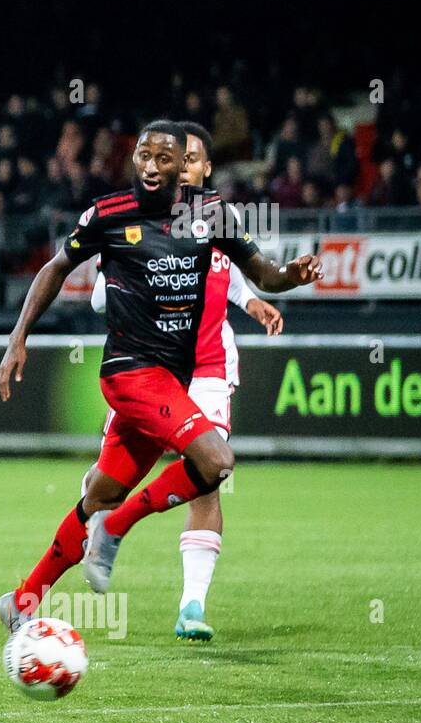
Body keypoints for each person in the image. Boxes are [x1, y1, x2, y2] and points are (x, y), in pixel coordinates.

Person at [0, 121, 322, 631]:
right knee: (216, 461)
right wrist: (18, 337)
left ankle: (25, 598)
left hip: (171, 378)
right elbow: (55, 268)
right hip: (129, 373)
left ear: (181, 166)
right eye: (143, 155)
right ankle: (118, 529)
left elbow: (262, 274)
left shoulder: (210, 214)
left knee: (99, 494)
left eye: (163, 158)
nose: (150, 166)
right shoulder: (107, 214)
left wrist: (291, 278)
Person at [81, 122, 283, 640]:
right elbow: (103, 290)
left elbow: (235, 272)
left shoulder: (215, 219)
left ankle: (192, 604)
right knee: (105, 486)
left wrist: (254, 301)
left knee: (208, 475)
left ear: (203, 168)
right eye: (174, 158)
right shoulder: (141, 224)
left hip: (210, 368)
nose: (181, 166)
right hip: (147, 369)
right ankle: (99, 517)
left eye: (191, 159)